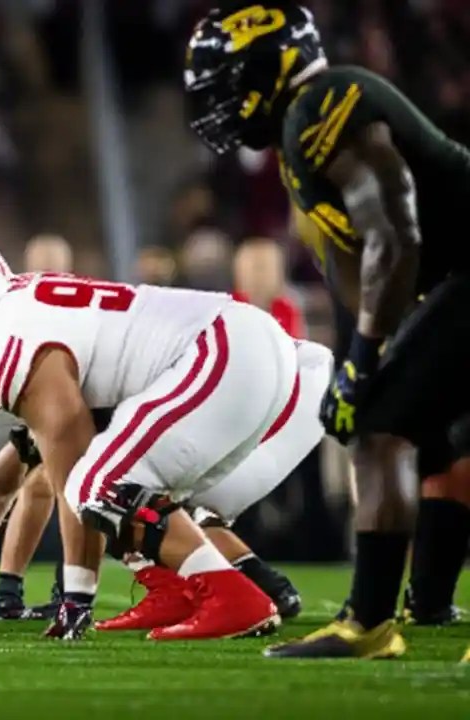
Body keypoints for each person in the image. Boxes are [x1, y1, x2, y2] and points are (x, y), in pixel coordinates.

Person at [184, 2, 470, 660]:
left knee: (379, 424)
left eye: (229, 83)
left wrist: (363, 362)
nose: (222, 104)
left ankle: (366, 623)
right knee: (439, 435)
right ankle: (426, 602)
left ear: (266, 68)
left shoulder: (322, 104)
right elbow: (353, 258)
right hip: (456, 278)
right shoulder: (306, 124)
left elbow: (393, 232)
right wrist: (375, 350)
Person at [0, 240, 329, 640]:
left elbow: (72, 479)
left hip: (228, 355)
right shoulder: (23, 315)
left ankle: (235, 598)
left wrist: (76, 599)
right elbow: (4, 480)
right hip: (276, 366)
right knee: (141, 497)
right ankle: (179, 589)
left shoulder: (8, 343)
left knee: (96, 487)